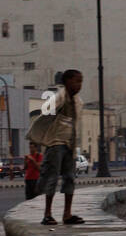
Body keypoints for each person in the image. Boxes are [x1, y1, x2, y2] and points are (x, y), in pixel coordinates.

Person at [28, 69, 85, 226]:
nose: (79, 85)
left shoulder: (78, 102)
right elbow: (45, 114)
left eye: (81, 81)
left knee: (70, 178)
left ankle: (67, 214)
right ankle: (47, 213)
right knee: (52, 177)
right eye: (76, 81)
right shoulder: (58, 98)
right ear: (67, 82)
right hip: (56, 143)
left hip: (70, 144)